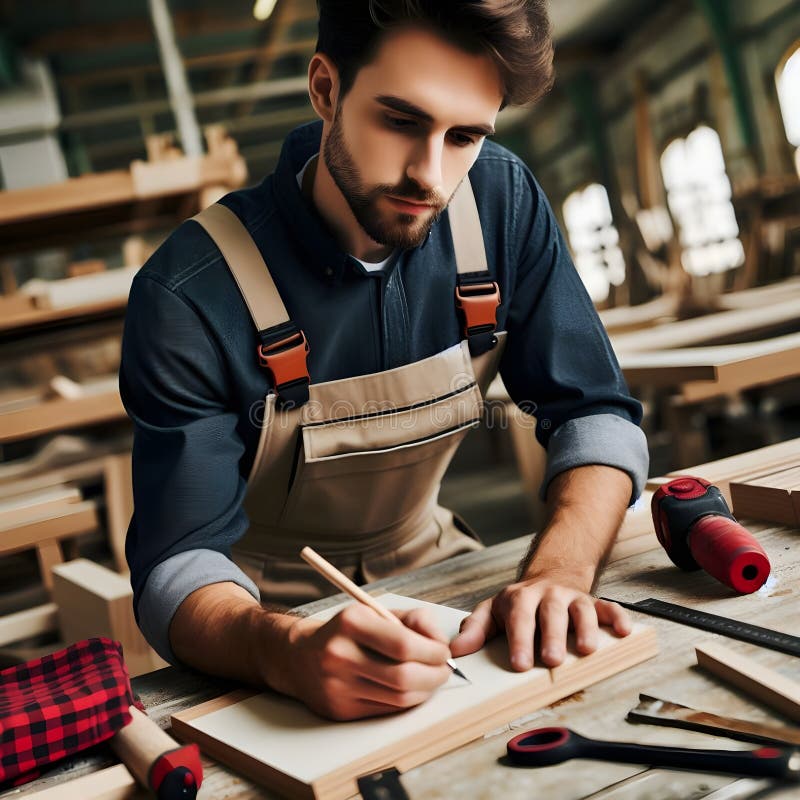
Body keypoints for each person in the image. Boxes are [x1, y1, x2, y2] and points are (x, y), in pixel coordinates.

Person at [120, 0, 649, 721]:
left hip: (441, 564)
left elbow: (594, 412)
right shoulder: (189, 292)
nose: (429, 175)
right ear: (326, 88)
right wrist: (282, 652)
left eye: (464, 135)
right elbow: (176, 563)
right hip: (258, 616)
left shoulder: (501, 200)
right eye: (401, 120)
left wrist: (560, 573)